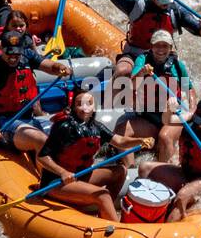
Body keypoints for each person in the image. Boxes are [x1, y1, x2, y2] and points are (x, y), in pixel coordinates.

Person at [35, 91, 152, 221]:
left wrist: (141, 141)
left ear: (94, 107)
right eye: (79, 104)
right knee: (103, 194)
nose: (84, 108)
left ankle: (104, 214)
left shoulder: (97, 127)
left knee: (120, 171)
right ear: (73, 107)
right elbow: (42, 156)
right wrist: (62, 172)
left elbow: (120, 141)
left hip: (80, 176)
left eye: (88, 104)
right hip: (57, 182)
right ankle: (116, 227)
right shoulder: (63, 126)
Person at [0, 30, 71, 154]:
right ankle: (51, 172)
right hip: (4, 123)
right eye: (9, 54)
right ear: (2, 49)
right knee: (41, 140)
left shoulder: (27, 56)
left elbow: (48, 66)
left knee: (66, 133)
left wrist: (59, 68)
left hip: (29, 119)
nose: (13, 58)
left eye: (16, 54)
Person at [138, 97, 201, 222]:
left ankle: (167, 230)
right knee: (144, 169)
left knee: (182, 196)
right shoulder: (191, 118)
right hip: (186, 172)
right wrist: (169, 109)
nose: (199, 124)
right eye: (198, 119)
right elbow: (167, 120)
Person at [117, 29, 195, 163]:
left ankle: (162, 172)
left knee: (164, 137)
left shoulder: (178, 65)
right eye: (157, 45)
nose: (160, 49)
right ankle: (129, 170)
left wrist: (193, 110)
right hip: (149, 116)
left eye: (165, 46)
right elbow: (132, 85)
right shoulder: (143, 60)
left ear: (170, 48)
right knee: (121, 131)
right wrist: (142, 72)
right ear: (151, 46)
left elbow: (189, 89)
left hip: (172, 116)